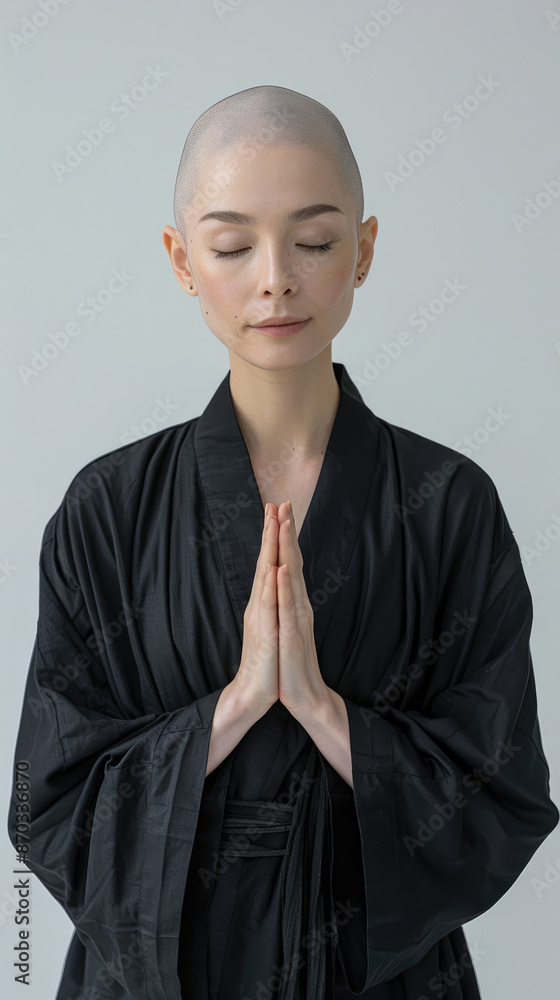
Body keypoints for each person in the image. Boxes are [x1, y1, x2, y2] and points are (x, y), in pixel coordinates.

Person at [7, 85, 559, 1000]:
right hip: (162, 975)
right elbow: (49, 804)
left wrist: (319, 707)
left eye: (314, 241)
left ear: (366, 249)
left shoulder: (449, 505)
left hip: (377, 974)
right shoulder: (106, 510)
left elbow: (502, 795)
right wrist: (235, 705)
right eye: (231, 245)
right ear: (182, 260)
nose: (275, 278)